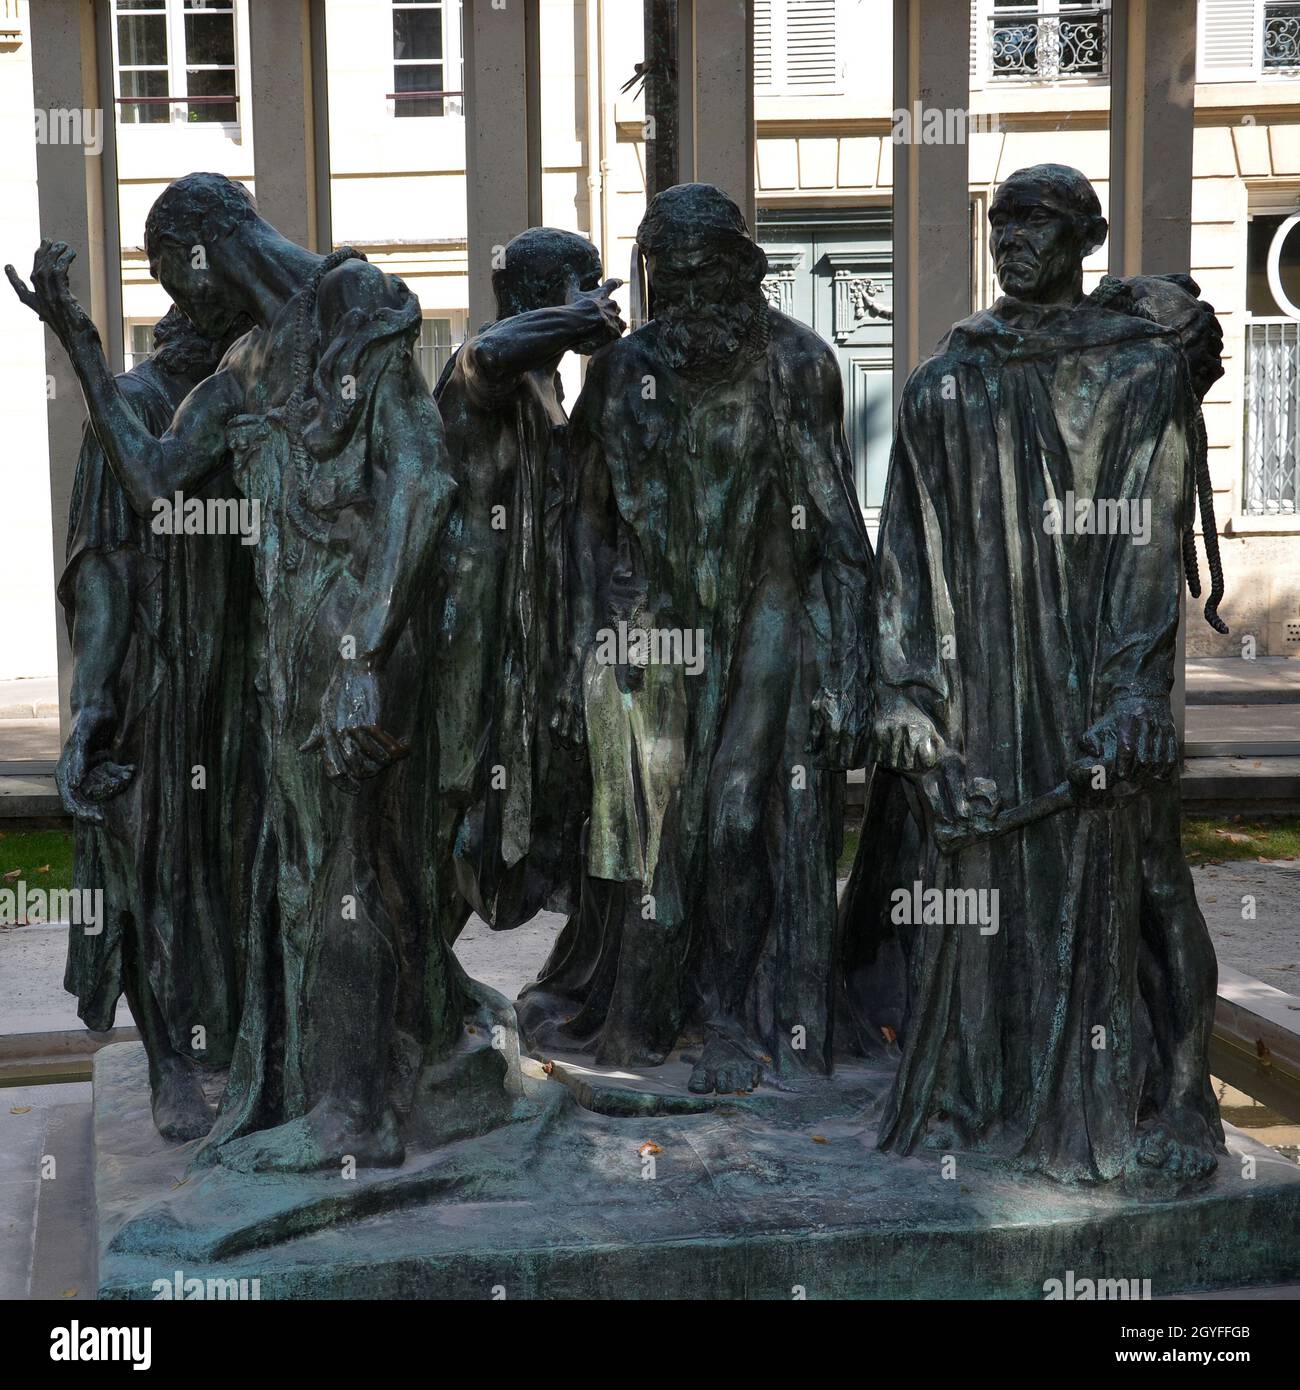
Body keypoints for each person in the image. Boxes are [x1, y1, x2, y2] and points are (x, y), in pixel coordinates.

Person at [8, 172, 501, 1172]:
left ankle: (353, 1114)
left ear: (201, 249)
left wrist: (364, 650)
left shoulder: (358, 301)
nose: (177, 303)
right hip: (300, 659)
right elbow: (152, 480)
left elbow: (421, 481)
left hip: (365, 648)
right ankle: (375, 1079)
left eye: (170, 277)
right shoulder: (244, 359)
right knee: (326, 878)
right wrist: (82, 345)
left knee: (339, 881)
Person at [870, 164, 1223, 1182]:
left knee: (1150, 879)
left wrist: (1131, 689)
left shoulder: (1137, 370)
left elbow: (1150, 540)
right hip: (985, 678)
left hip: (1102, 677)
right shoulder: (947, 380)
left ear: (1086, 236)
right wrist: (902, 691)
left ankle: (1183, 1096)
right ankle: (980, 1094)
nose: (1012, 238)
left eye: (1037, 221)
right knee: (977, 886)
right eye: (1002, 221)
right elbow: (908, 548)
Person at [530, 183, 873, 1096]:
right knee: (657, 841)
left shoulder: (798, 366)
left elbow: (838, 527)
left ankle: (730, 1020)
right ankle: (653, 1005)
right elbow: (586, 525)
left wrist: (849, 666)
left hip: (766, 612)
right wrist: (586, 643)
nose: (684, 300)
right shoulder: (618, 376)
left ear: (745, 272)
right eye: (667, 282)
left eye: (702, 279)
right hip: (657, 629)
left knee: (733, 818)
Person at [57, 306, 252, 1140]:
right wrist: (95, 698)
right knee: (144, 871)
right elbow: (104, 562)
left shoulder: (256, 394)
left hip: (246, 674)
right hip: (156, 679)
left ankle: (246, 1042)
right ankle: (168, 1062)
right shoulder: (130, 405)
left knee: (241, 867)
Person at [430, 227, 624, 943]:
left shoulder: (546, 379)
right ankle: (417, 963)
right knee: (456, 784)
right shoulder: (483, 364)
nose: (600, 296)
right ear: (546, 295)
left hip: (526, 623)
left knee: (505, 790)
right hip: (468, 616)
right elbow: (489, 353)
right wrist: (581, 321)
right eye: (586, 282)